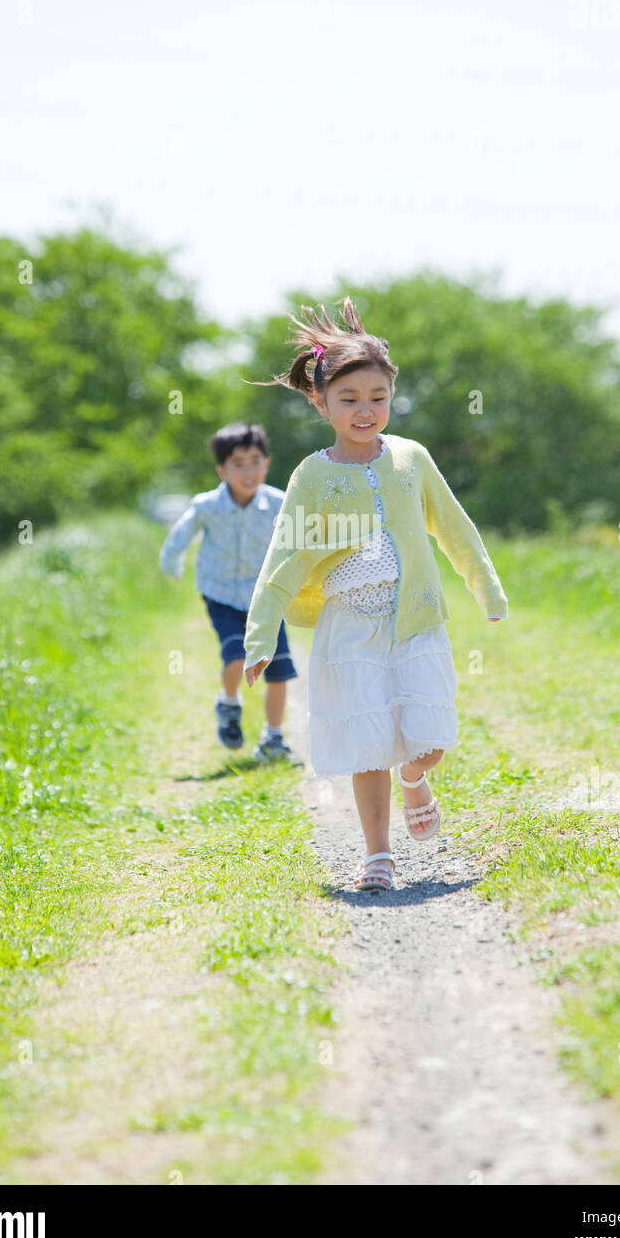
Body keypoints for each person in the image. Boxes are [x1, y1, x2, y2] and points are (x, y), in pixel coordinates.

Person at [242, 298, 508, 890]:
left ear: (391, 396)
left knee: (430, 736)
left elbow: (454, 528)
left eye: (378, 398)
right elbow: (284, 559)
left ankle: (415, 777)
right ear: (321, 402)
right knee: (367, 747)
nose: (366, 411)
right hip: (350, 628)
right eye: (349, 399)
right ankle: (377, 854)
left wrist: (484, 585)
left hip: (414, 620)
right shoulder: (312, 475)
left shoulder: (412, 459)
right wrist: (260, 635)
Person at [159, 422, 301, 763]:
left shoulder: (280, 503)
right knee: (236, 655)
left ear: (266, 464)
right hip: (220, 593)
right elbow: (179, 537)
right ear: (222, 469)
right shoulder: (207, 505)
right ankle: (229, 701)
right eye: (238, 463)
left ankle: (274, 738)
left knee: (277, 668)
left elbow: (297, 543)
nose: (248, 470)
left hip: (265, 598)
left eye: (255, 460)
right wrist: (172, 565)